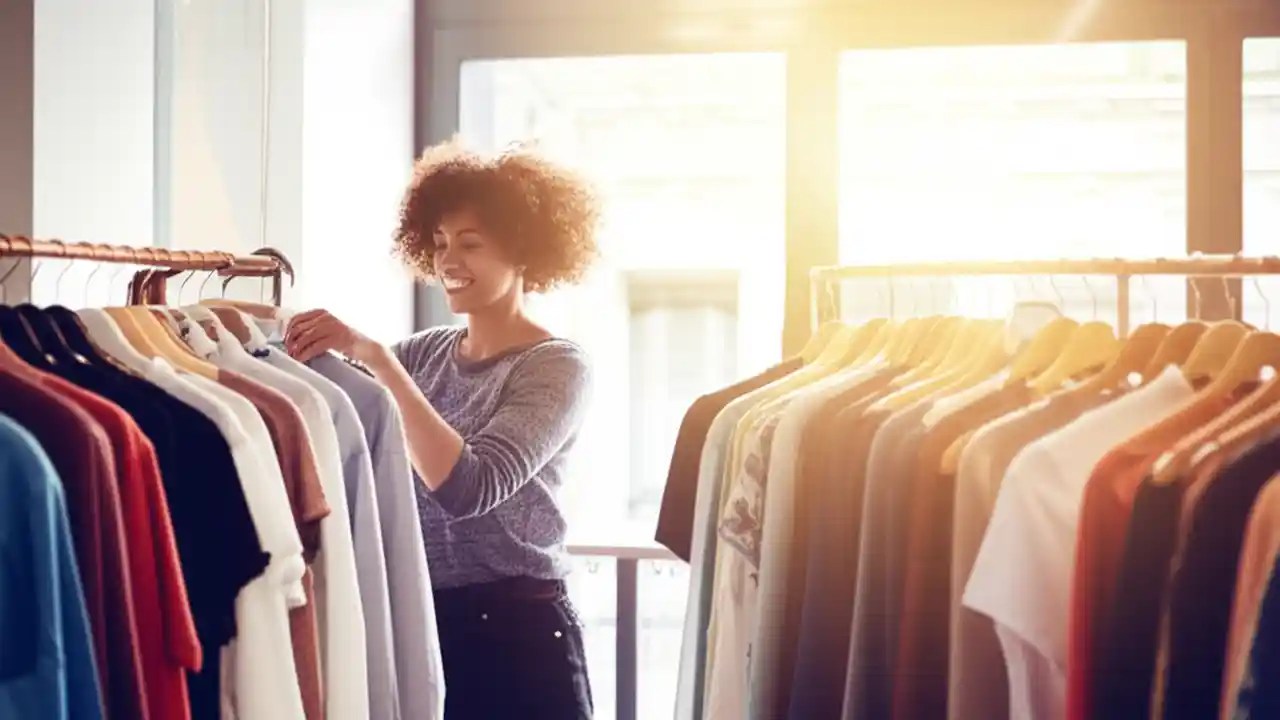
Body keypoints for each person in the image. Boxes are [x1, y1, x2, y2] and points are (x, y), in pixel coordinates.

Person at [284, 139, 600, 719]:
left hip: (520, 636)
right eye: (439, 244)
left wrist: (376, 359)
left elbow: (467, 487)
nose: (448, 261)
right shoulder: (426, 353)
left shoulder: (556, 366)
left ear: (524, 252)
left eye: (470, 244)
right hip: (426, 619)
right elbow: (336, 413)